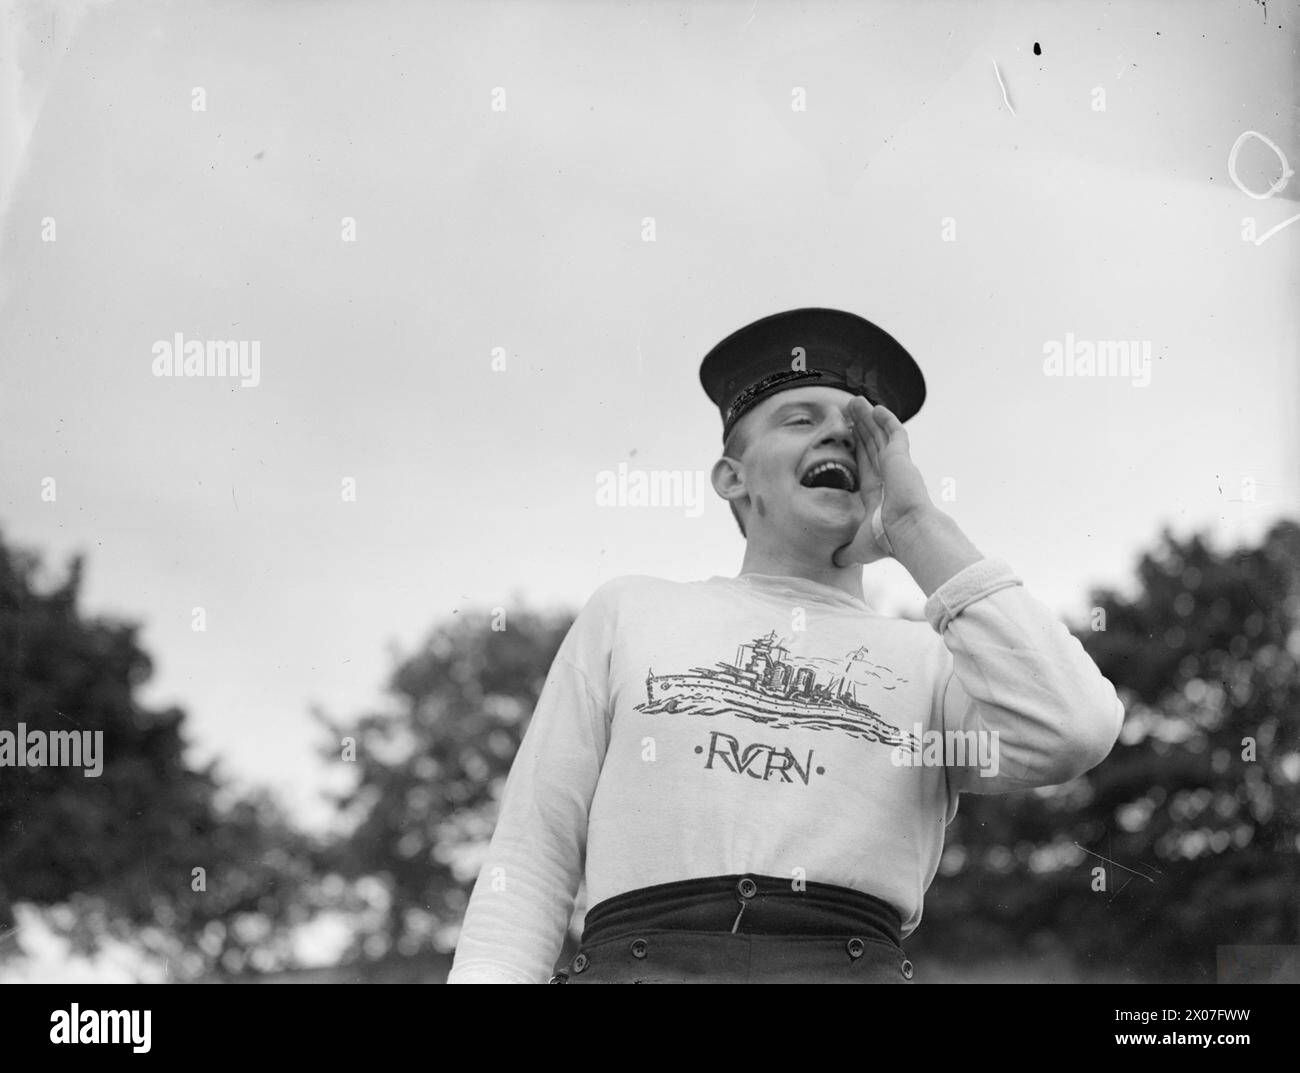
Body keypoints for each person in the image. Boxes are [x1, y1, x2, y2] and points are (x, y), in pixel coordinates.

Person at [447, 307, 1124, 984]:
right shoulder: (631, 611)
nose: (836, 431)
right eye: (800, 419)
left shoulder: (935, 662)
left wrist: (917, 526)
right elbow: (531, 855)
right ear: (733, 477)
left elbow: (1074, 726)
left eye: (860, 432)